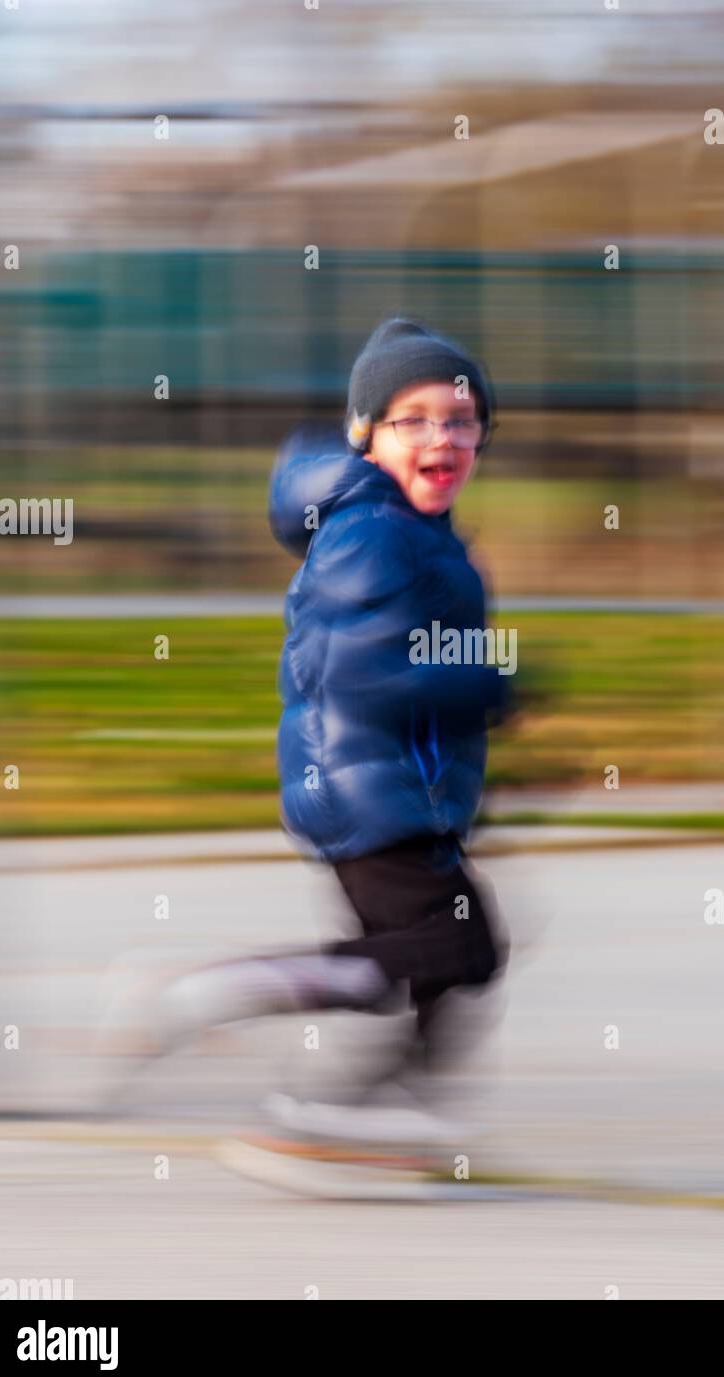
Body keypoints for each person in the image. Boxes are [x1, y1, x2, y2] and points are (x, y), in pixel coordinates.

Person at [146, 317, 512, 1156]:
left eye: (461, 420)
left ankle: (377, 1108)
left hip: (388, 788)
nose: (442, 438)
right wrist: (490, 684)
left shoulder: (411, 531)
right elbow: (362, 674)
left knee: (430, 955)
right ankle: (236, 1010)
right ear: (366, 433)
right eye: (412, 419)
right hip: (365, 789)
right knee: (448, 947)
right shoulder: (372, 530)